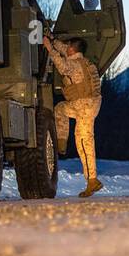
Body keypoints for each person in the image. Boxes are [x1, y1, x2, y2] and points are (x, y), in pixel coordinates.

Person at [43, 33, 103, 197]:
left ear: (72, 50)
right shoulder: (85, 63)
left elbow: (62, 66)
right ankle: (62, 142)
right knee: (61, 109)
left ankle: (92, 180)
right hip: (87, 104)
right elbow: (64, 50)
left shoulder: (75, 65)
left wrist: (49, 48)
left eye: (68, 47)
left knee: (84, 142)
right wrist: (53, 41)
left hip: (84, 106)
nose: (66, 48)